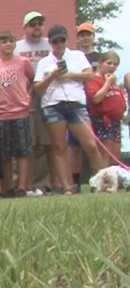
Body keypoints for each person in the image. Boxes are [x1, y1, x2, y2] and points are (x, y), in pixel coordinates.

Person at [34, 24, 107, 191]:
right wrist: (52, 75)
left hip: (76, 103)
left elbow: (89, 75)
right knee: (59, 147)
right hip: (53, 105)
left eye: (62, 40)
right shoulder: (44, 62)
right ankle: (67, 187)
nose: (59, 45)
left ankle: (103, 183)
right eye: (55, 42)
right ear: (51, 43)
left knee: (91, 144)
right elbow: (37, 88)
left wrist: (68, 75)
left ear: (67, 40)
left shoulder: (78, 56)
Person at [0, 31, 36, 198]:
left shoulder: (23, 62)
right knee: (4, 153)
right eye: (4, 42)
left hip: (20, 112)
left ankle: (22, 186)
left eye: (10, 41)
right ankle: (8, 186)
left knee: (23, 151)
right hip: (0, 114)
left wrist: (29, 96)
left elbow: (33, 80)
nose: (7, 44)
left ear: (14, 44)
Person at [14, 11, 54, 194]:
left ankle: (43, 183)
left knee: (46, 143)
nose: (36, 27)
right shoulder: (16, 47)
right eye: (32, 24)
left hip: (48, 99)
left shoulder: (50, 44)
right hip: (24, 101)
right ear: (24, 27)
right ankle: (22, 184)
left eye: (39, 24)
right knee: (25, 144)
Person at [86, 52, 126, 162]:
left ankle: (113, 177)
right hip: (102, 120)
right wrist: (107, 83)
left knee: (115, 154)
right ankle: (103, 177)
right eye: (109, 63)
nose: (112, 67)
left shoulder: (113, 81)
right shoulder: (94, 79)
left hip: (115, 121)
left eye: (115, 64)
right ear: (100, 63)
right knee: (105, 153)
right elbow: (95, 98)